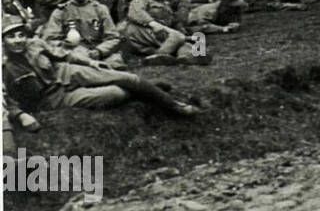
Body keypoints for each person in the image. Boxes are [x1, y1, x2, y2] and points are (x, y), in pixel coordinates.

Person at [3, 15, 202, 127]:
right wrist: (20, 115)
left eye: (21, 34)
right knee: (116, 93)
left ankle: (175, 106)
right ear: (2, 40)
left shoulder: (35, 43)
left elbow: (63, 55)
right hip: (53, 99)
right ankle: (147, 91)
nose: (19, 40)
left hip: (65, 72)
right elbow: (5, 102)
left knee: (126, 77)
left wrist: (90, 63)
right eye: (11, 37)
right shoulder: (4, 66)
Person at [41, 0, 124, 66]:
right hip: (73, 53)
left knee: (115, 62)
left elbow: (113, 37)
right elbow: (50, 40)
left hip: (97, 51)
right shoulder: (61, 12)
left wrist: (100, 51)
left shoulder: (100, 9)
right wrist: (68, 47)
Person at [123, 0, 208, 65]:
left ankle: (186, 57)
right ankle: (157, 56)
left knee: (184, 42)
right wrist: (153, 24)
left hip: (159, 34)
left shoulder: (166, 2)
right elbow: (135, 12)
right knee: (178, 37)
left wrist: (180, 25)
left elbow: (173, 20)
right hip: (140, 31)